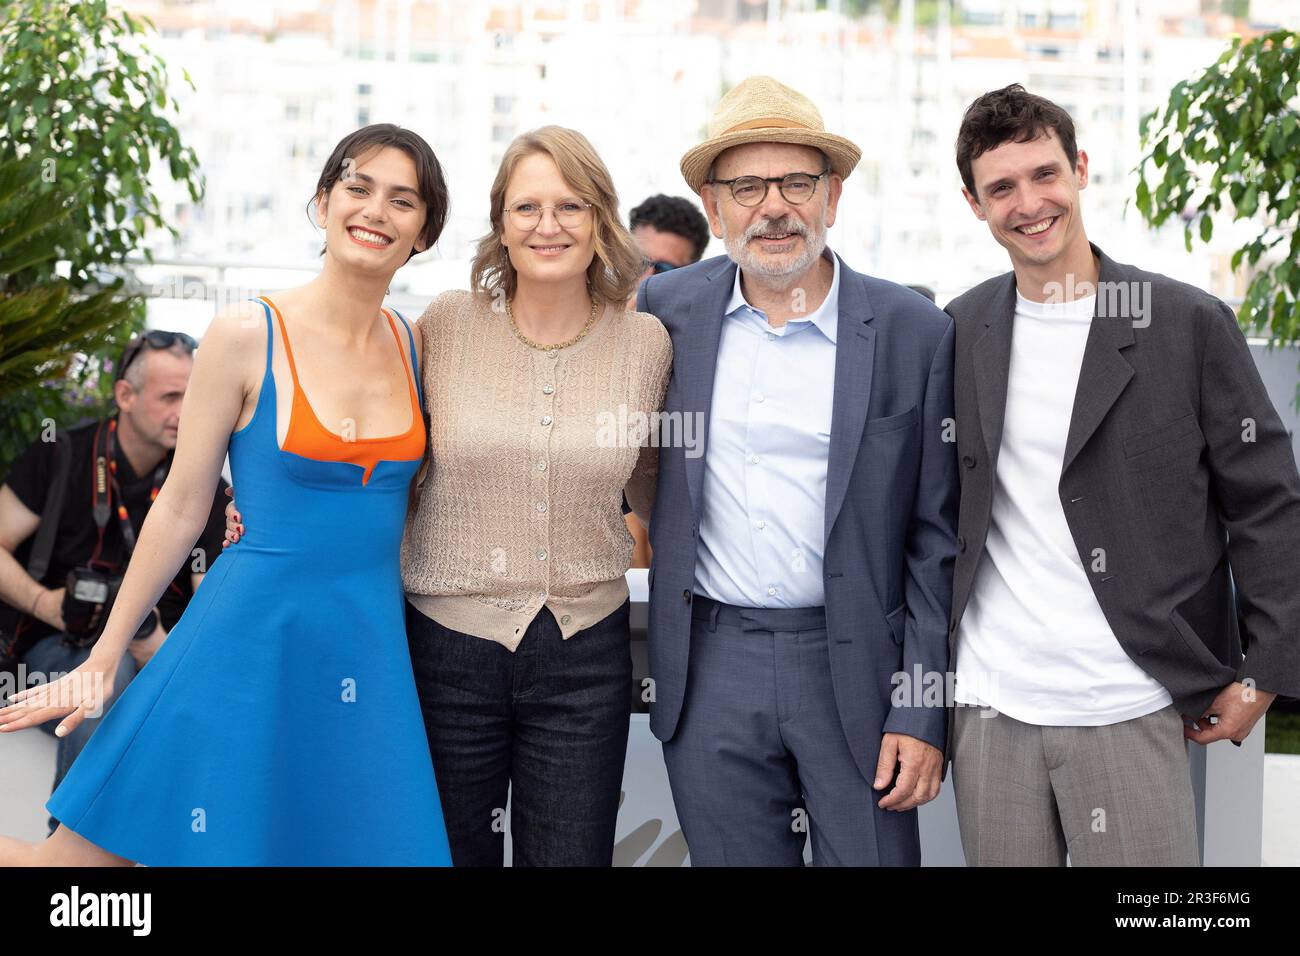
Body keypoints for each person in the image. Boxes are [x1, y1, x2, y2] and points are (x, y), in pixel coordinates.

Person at [0, 123, 454, 866]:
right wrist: (105, 654)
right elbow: (181, 506)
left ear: (425, 232)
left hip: (366, 653)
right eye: (358, 187)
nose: (376, 210)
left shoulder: (416, 342)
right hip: (246, 641)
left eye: (403, 200)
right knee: (71, 870)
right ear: (324, 200)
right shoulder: (247, 333)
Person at [227, 126, 672, 866]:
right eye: (526, 207)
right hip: (443, 649)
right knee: (439, 853)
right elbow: (378, 448)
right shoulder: (444, 325)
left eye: (571, 206)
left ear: (600, 219)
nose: (548, 226)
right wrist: (276, 510)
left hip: (585, 652)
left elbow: (655, 486)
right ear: (501, 222)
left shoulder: (646, 344)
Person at [944, 84, 1300, 865]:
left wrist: (1265, 674)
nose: (1029, 203)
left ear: (1079, 168)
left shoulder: (1186, 322)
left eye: (1044, 175)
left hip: (1131, 703)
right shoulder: (959, 327)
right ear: (973, 203)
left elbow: (1269, 503)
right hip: (989, 707)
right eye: (1001, 187)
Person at [636, 75, 957, 866]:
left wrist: (921, 711)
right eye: (746, 186)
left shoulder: (915, 331)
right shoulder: (663, 314)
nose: (772, 207)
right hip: (710, 663)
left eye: (796, 183)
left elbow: (935, 541)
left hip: (860, 673)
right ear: (713, 209)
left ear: (833, 197)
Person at [0, 332, 229, 837]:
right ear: (125, 396)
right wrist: (48, 603)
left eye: (194, 396)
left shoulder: (203, 482)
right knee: (103, 681)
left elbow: (210, 597)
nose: (185, 411)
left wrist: (155, 644)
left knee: (126, 674)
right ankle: (68, 846)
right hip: (58, 649)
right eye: (170, 396)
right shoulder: (60, 454)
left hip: (155, 655)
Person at [623, 195, 710, 567]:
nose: (647, 280)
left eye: (664, 269)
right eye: (640, 262)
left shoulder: (694, 359)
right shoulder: (575, 326)